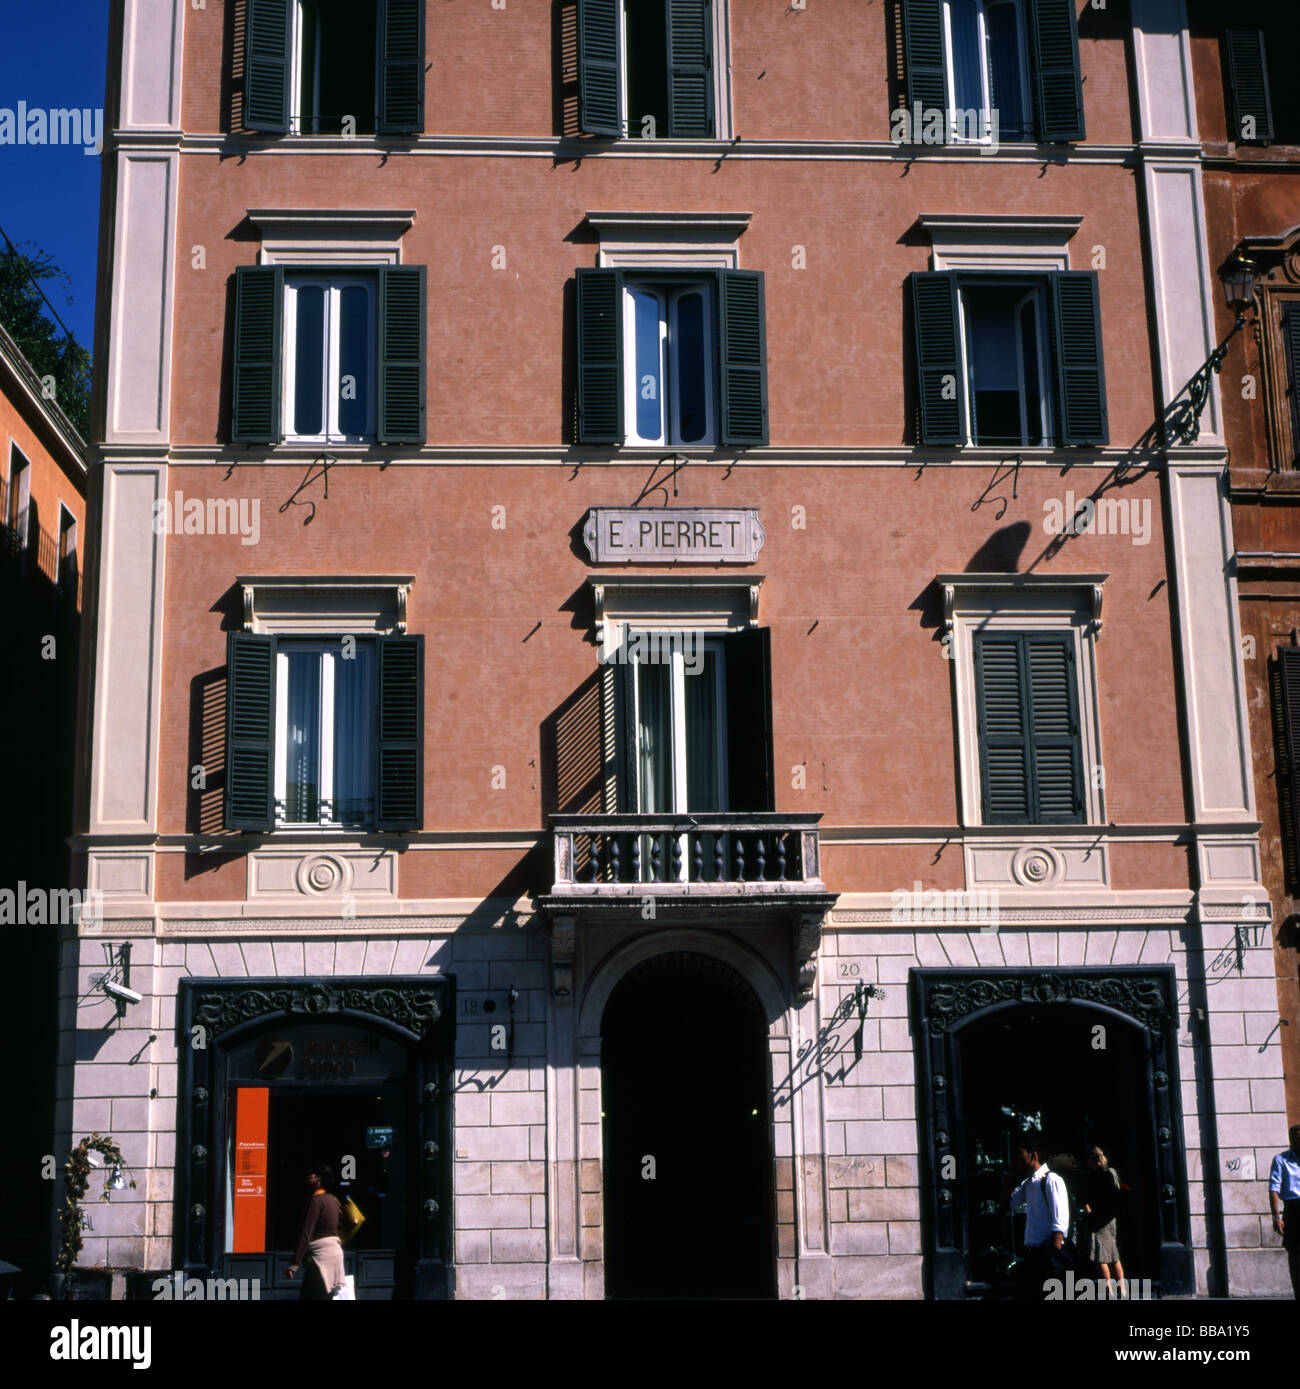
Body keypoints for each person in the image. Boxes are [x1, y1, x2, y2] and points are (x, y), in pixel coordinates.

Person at [1007, 1131, 1069, 1300]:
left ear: (1033, 1155)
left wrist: (1053, 1259)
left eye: (1021, 1154)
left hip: (1047, 1256)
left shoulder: (1052, 1180)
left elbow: (1060, 1224)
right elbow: (1008, 1203)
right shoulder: (1028, 1184)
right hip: (1032, 1256)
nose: (1018, 1159)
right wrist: (1011, 1176)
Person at [286, 1162, 345, 1299]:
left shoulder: (315, 1201)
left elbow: (306, 1233)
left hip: (320, 1258)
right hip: (335, 1254)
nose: (308, 1177)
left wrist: (294, 1264)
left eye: (311, 1174)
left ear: (319, 1178)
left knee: (311, 1295)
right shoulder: (333, 1200)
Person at [1083, 1144, 1126, 1298]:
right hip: (1110, 1220)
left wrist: (1090, 1212)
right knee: (1113, 1255)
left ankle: (1109, 1292)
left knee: (1100, 1257)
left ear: (1092, 1161)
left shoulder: (1098, 1176)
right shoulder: (1111, 1174)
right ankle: (1122, 1290)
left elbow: (1091, 1198)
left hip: (1100, 1220)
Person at [1268, 1124, 1300, 1299]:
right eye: (1296, 1137)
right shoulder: (1281, 1160)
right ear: (1291, 1139)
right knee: (1295, 1254)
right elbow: (1274, 1188)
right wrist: (1276, 1216)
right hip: (1294, 1209)